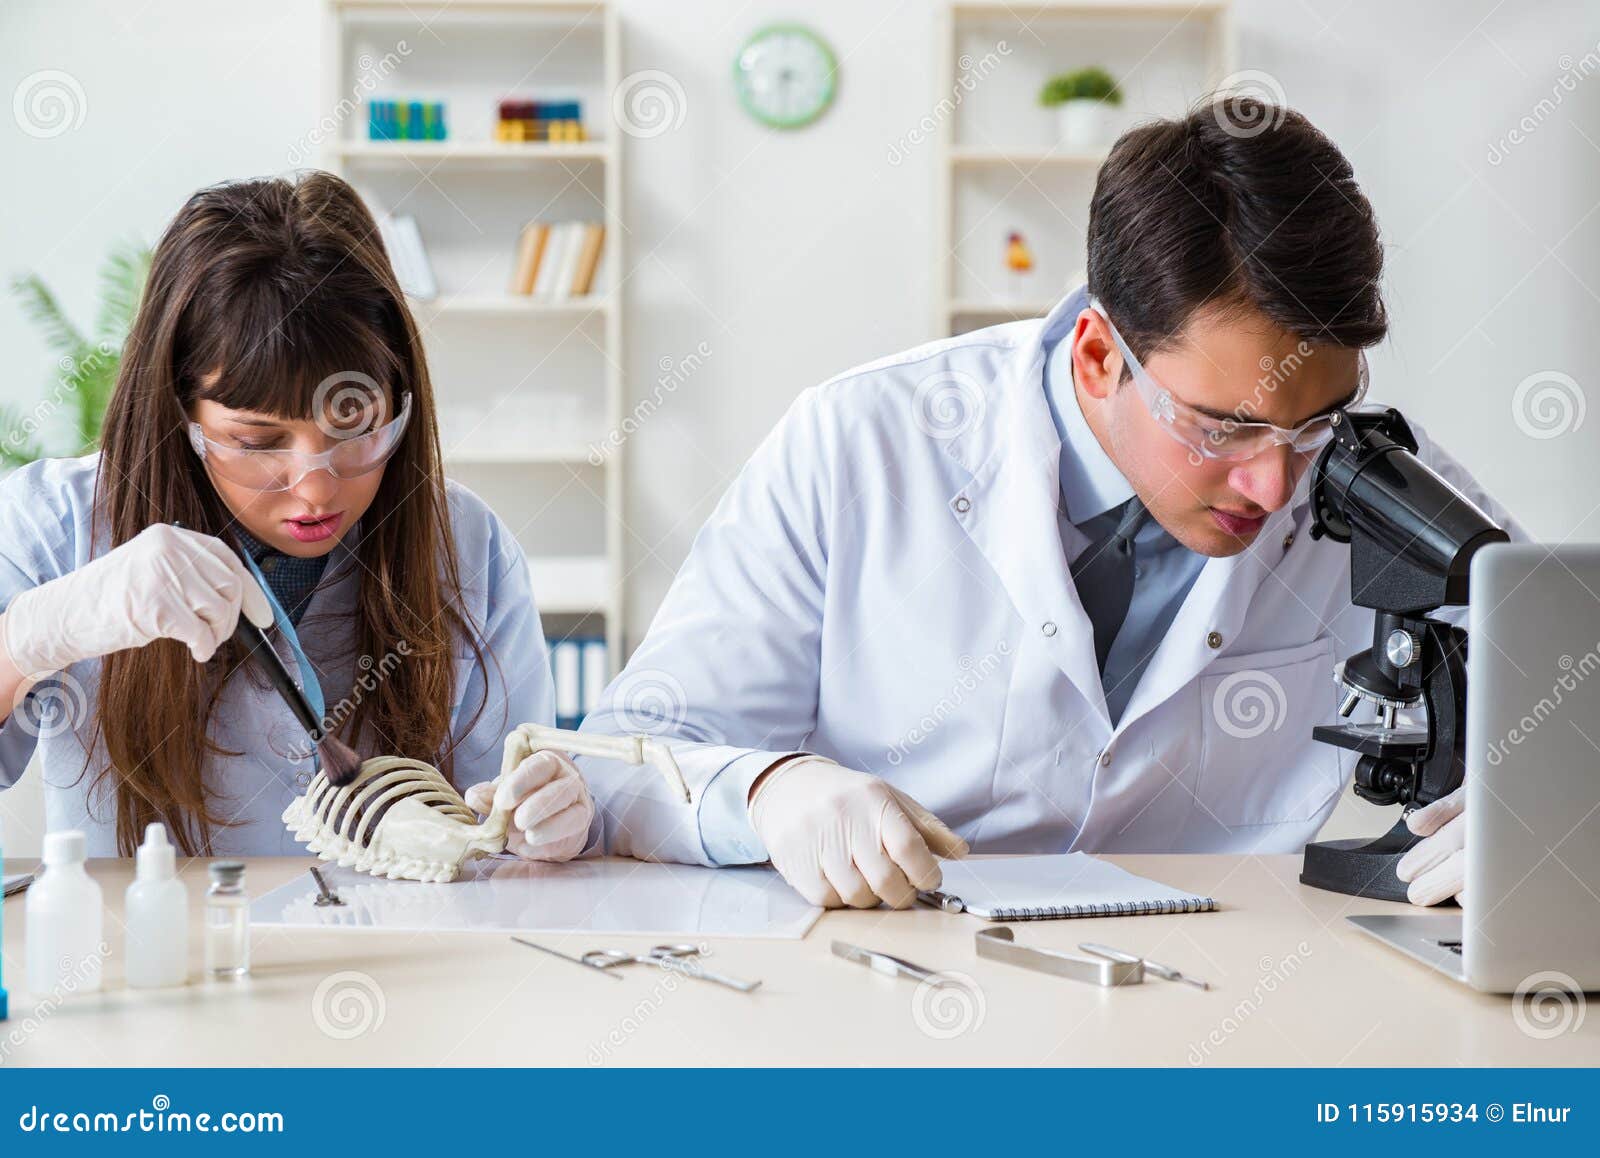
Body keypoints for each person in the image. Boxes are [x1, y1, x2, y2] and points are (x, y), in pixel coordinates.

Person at [576, 100, 1522, 910]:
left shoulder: (1363, 468)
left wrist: (1546, 810)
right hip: (887, 985)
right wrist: (768, 789)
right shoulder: (859, 441)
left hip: (1215, 1007)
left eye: (1312, 423)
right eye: (1223, 429)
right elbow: (623, 763)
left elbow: (1574, 674)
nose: (1275, 488)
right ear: (1098, 357)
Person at [0, 172, 592, 860]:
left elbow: (503, 832)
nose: (315, 492)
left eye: (354, 425)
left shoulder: (468, 545)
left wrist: (544, 825)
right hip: (144, 963)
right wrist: (28, 638)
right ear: (178, 411)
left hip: (407, 964)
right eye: (257, 443)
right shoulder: (53, 523)